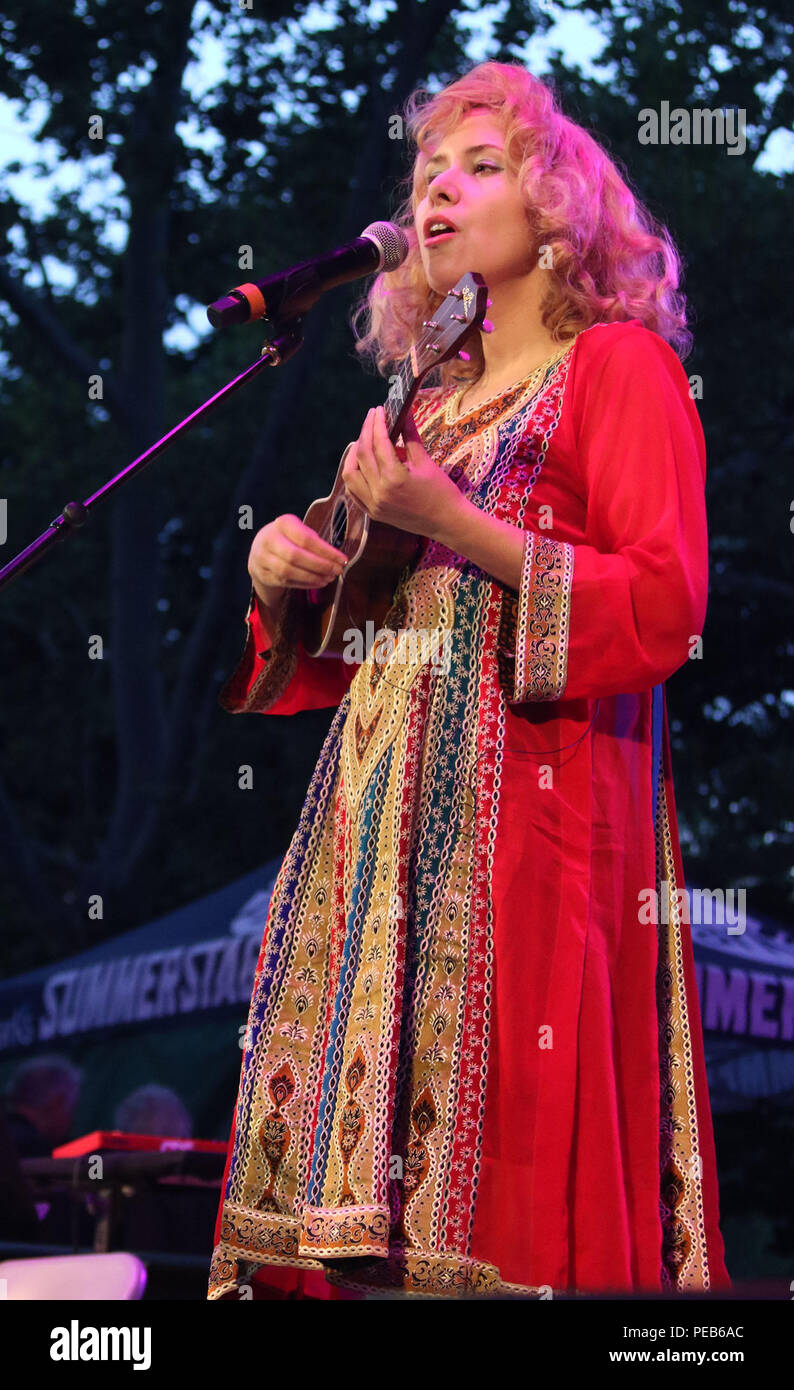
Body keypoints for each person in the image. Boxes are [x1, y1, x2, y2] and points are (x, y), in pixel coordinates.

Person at [207, 61, 731, 1300]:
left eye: (479, 167)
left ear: (556, 208)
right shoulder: (424, 411)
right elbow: (352, 642)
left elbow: (664, 602)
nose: (435, 192)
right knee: (362, 1217)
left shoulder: (615, 368)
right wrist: (284, 575)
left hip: (531, 824)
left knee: (501, 1170)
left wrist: (457, 524)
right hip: (374, 840)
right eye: (426, 172)